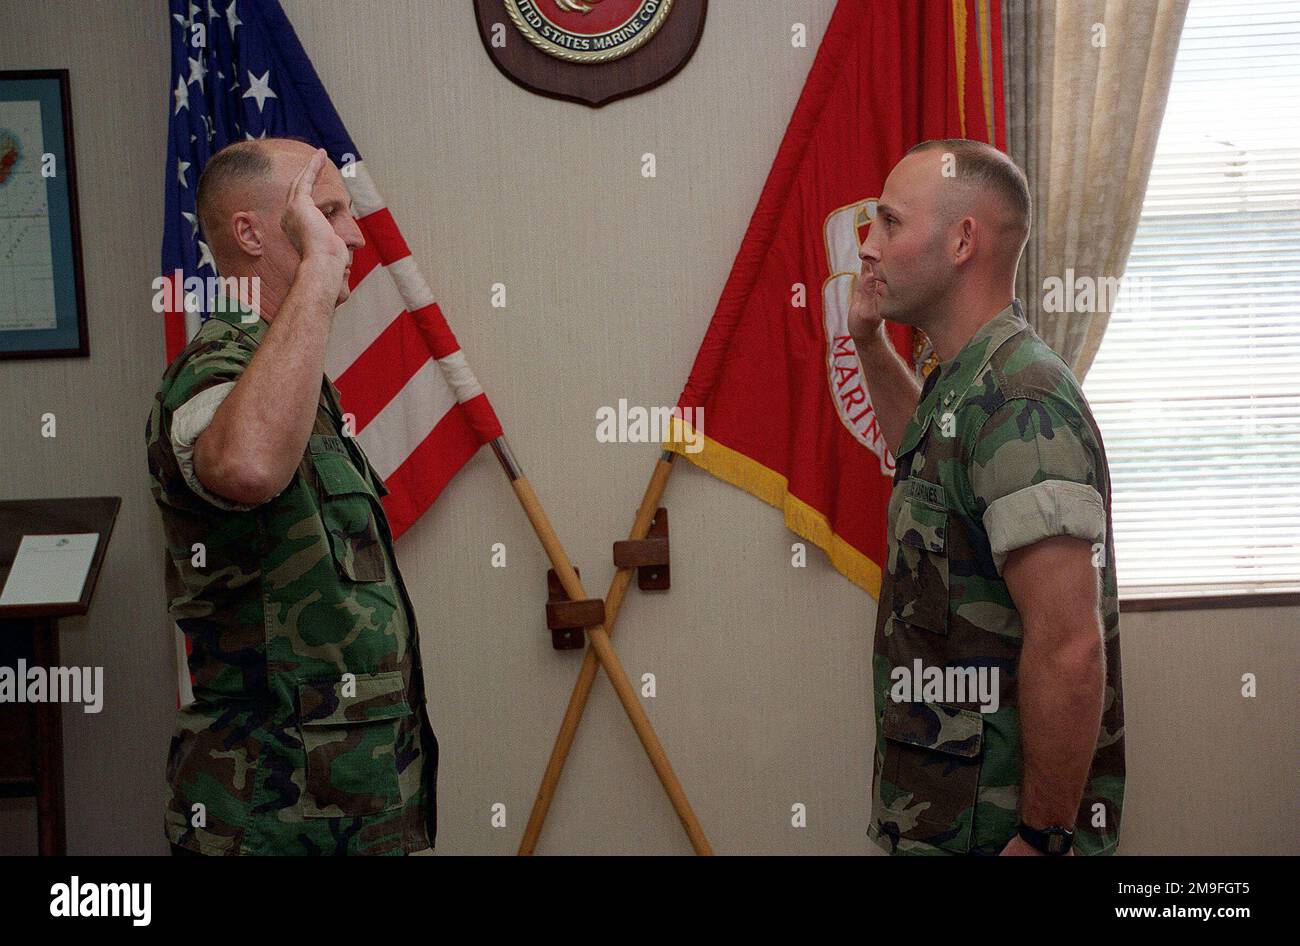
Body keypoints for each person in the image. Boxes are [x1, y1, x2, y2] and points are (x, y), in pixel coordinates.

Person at [145, 138, 438, 855]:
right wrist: (320, 271)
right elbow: (244, 465)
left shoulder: (293, 379)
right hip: (267, 820)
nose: (352, 233)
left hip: (346, 813)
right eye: (326, 212)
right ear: (249, 233)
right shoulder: (216, 366)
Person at [849, 138, 1124, 856]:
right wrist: (871, 345)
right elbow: (932, 456)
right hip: (942, 809)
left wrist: (1040, 839)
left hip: (994, 827)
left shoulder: (1021, 398)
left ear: (963, 239)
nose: (867, 247)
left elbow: (1069, 647)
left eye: (889, 223)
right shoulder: (968, 378)